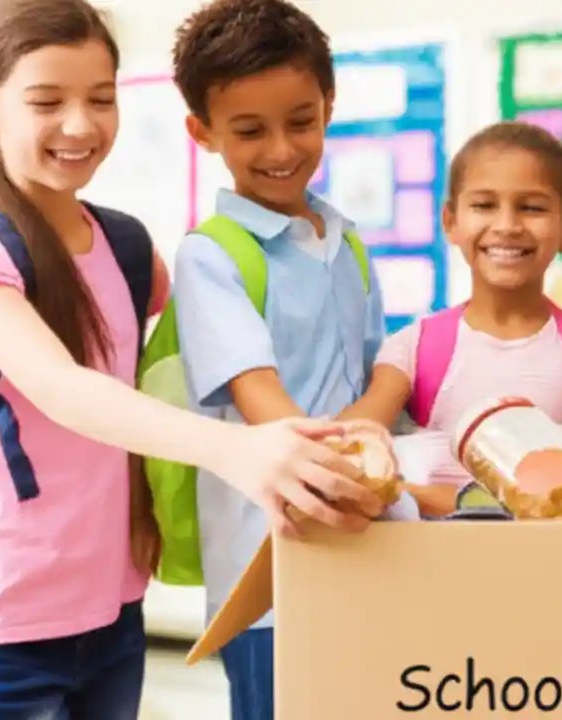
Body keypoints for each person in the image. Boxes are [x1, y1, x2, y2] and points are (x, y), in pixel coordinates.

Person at [0, 1, 377, 719]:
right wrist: (241, 449)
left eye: (100, 99)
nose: (80, 125)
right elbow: (63, 389)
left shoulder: (128, 247)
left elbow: (166, 368)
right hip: (7, 622)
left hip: (114, 609)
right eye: (47, 101)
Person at [168, 0, 410, 716]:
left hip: (368, 544)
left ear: (329, 106)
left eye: (300, 121)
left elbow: (378, 385)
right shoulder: (210, 255)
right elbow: (264, 408)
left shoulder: (347, 241)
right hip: (271, 572)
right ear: (203, 132)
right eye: (249, 130)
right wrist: (361, 447)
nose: (281, 148)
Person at [340, 121, 562, 505]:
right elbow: (355, 438)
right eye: (484, 206)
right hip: (440, 563)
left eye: (531, 208)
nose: (507, 226)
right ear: (451, 222)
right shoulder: (415, 348)